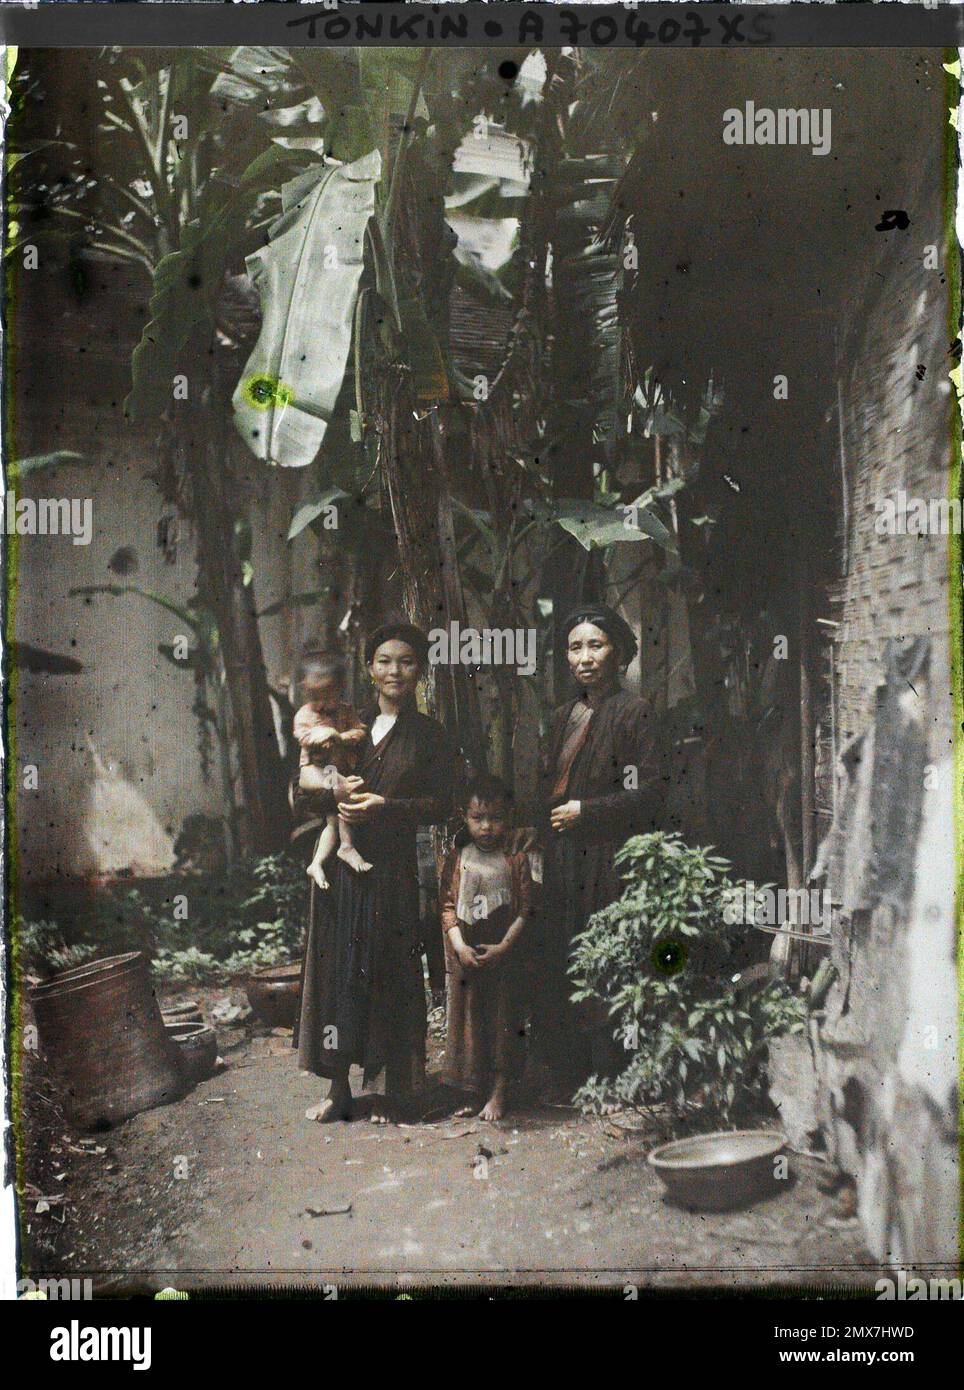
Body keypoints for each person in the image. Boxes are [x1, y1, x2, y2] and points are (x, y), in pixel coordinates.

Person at [295, 622, 456, 1125]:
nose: (395, 671)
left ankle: (391, 1092)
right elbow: (304, 791)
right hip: (344, 869)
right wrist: (336, 797)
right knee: (338, 972)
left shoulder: (430, 736)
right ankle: (339, 1088)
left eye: (406, 662)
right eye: (384, 660)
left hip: (393, 867)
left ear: (420, 671)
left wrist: (386, 806)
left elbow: (444, 803)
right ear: (369, 670)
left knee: (389, 969)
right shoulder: (346, 723)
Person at [535, 603, 663, 1092]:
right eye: (575, 647)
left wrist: (587, 811)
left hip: (611, 858)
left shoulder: (634, 714)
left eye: (596, 645)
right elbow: (545, 788)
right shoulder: (560, 717)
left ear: (620, 653)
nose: (585, 657)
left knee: (611, 960)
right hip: (564, 858)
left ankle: (619, 1076)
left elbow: (649, 793)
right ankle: (575, 1076)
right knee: (567, 957)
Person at [440, 774, 532, 1122]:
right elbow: (448, 906)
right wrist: (459, 945)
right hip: (467, 949)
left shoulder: (516, 858)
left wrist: (504, 947)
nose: (487, 827)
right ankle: (472, 1091)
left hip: (503, 951)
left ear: (508, 817)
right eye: (478, 818)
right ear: (465, 816)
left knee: (502, 1018)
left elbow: (526, 908)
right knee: (470, 1021)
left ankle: (499, 1092)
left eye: (495, 818)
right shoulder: (459, 856)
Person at [292, 651, 370, 889]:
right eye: (315, 697)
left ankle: (318, 861)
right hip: (313, 771)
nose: (322, 704)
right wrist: (319, 736)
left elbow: (360, 731)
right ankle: (346, 847)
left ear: (339, 690)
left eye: (328, 696)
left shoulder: (346, 711)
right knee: (343, 788)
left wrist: (340, 737)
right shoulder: (305, 714)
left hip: (335, 770)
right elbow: (302, 735)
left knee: (333, 820)